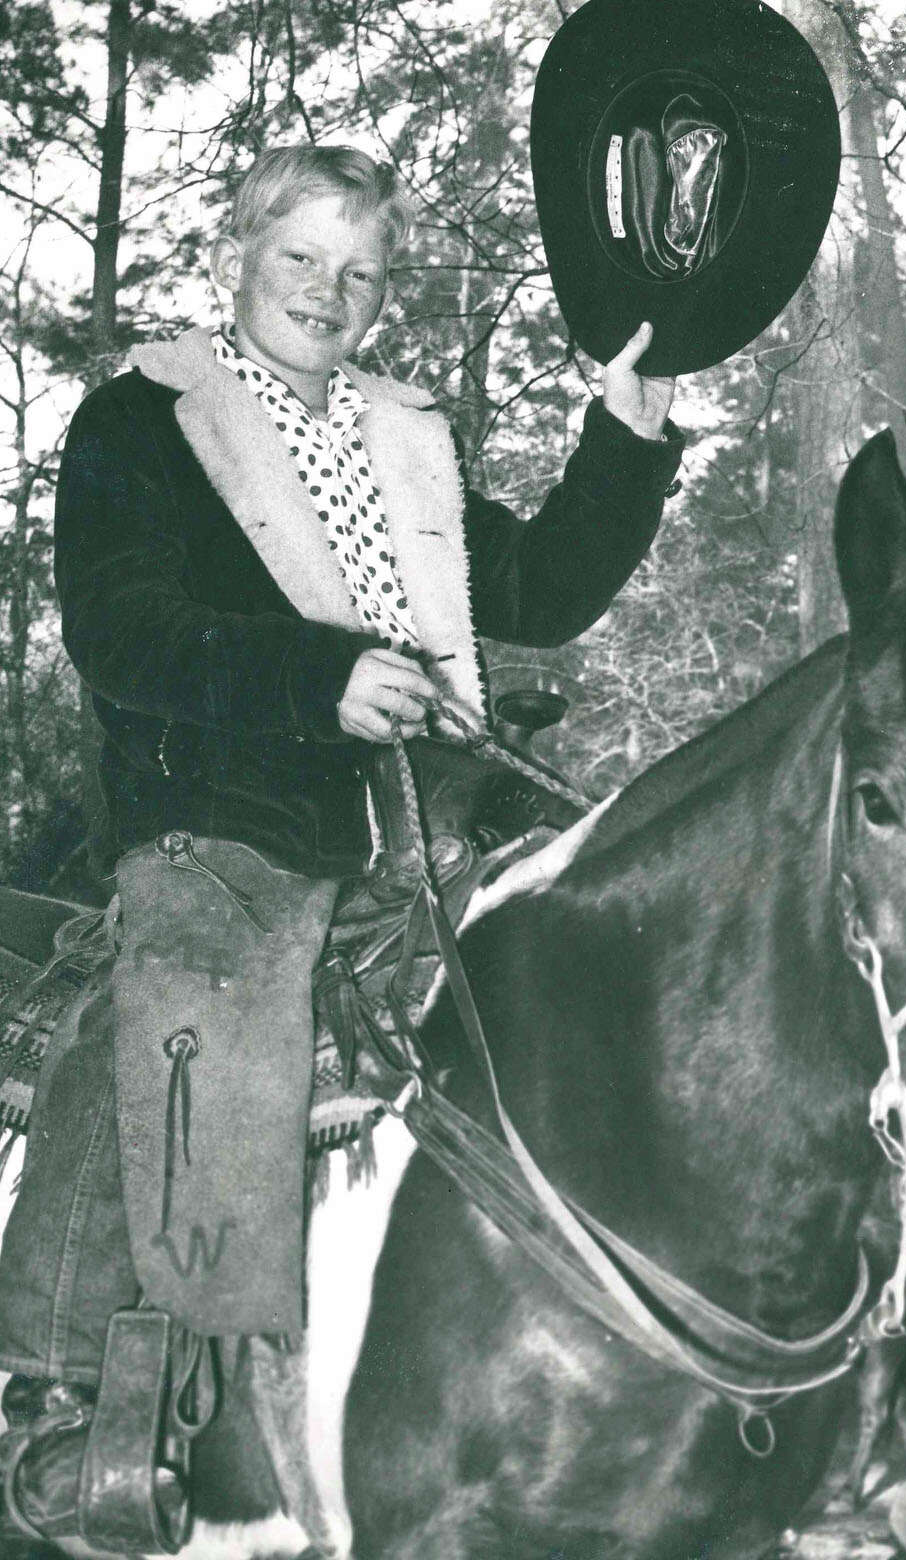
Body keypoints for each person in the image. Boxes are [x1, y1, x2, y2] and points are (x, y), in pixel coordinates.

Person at [0, 144, 682, 1554]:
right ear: (237, 257)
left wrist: (624, 438)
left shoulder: (402, 435)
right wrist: (320, 679)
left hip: (427, 825)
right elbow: (121, 631)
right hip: (225, 821)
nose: (331, 291)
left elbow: (536, 586)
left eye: (362, 271)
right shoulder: (144, 420)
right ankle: (61, 1399)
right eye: (302, 257)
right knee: (166, 1009)